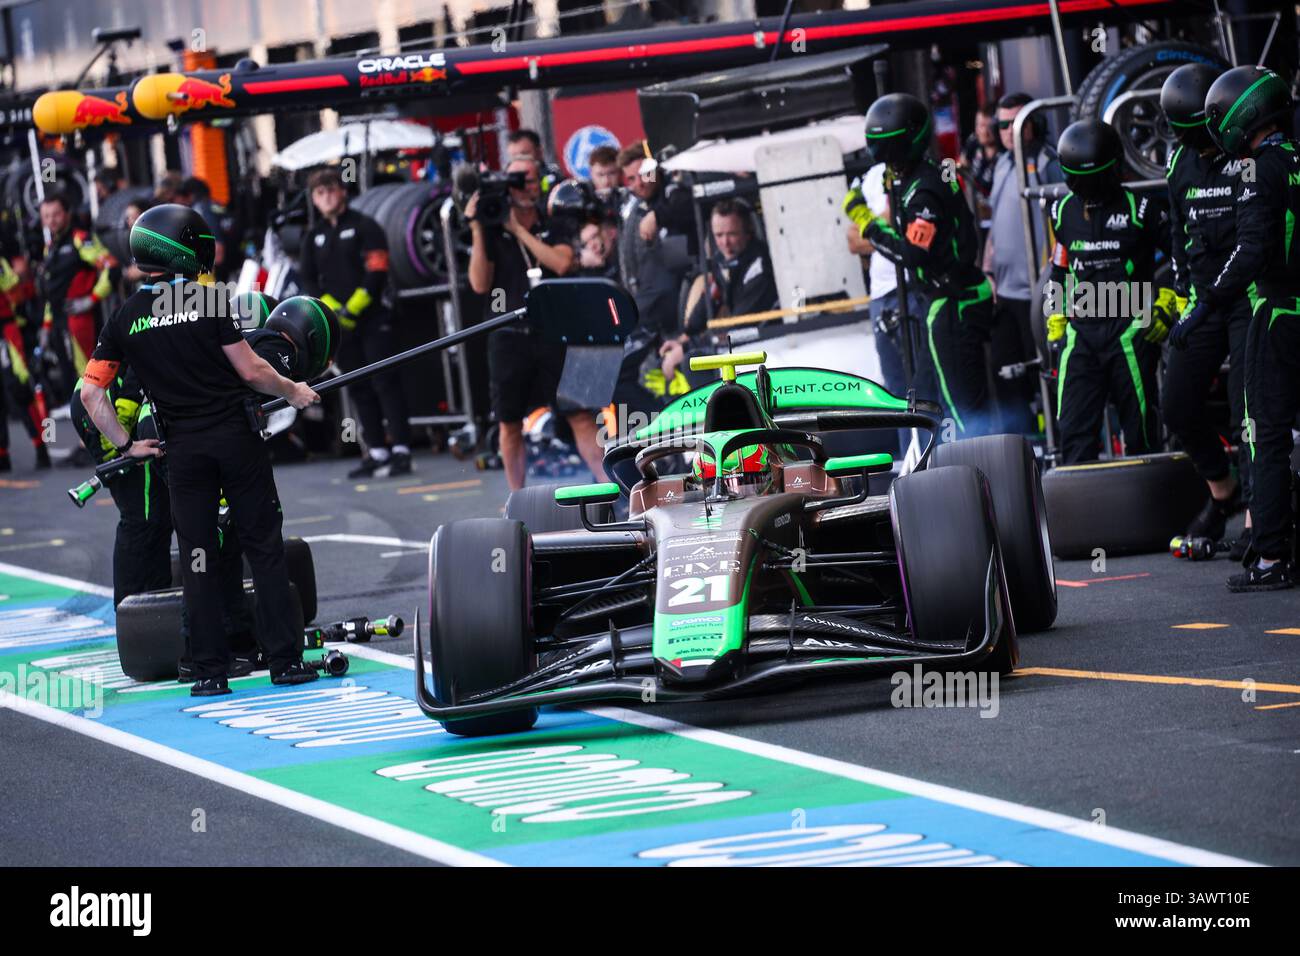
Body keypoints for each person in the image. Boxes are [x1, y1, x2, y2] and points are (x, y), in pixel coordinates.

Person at [79, 203, 322, 696]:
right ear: (184, 249)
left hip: (180, 450)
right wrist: (294, 390)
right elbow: (251, 370)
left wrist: (127, 444)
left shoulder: (123, 318)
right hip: (234, 439)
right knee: (264, 548)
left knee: (197, 558)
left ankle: (208, 670)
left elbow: (89, 394)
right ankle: (285, 661)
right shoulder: (209, 302)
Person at [1185, 66, 1299, 591]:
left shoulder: (1256, 169)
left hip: (1280, 315)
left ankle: (1272, 555)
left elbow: (1251, 249)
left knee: (1266, 432)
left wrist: (1205, 306)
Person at [846, 93, 995, 436]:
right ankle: (939, 470)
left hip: (955, 300)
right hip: (939, 301)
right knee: (924, 397)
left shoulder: (925, 188)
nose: (888, 167)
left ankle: (984, 468)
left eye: (892, 158)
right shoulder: (917, 177)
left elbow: (913, 255)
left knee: (960, 404)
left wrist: (866, 220)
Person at [466, 155, 607, 491]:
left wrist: (518, 230)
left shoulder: (553, 218)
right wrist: (477, 228)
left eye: (528, 180)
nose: (523, 187)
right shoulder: (490, 225)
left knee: (580, 413)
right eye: (516, 180)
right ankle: (516, 499)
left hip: (554, 331)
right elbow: (479, 284)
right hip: (508, 333)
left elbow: (560, 263)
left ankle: (609, 487)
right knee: (509, 422)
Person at [1159, 64, 1251, 550]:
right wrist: (1182, 295)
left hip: (1250, 297)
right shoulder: (1179, 165)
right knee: (1176, 404)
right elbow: (1177, 235)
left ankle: (1259, 518)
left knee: (1248, 414)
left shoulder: (1249, 155)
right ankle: (1224, 493)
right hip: (1201, 303)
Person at [1044, 119, 1173, 464]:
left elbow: (1187, 257)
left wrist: (1168, 302)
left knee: (1141, 435)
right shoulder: (1061, 211)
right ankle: (1078, 511)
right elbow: (1059, 269)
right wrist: (1055, 318)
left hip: (1131, 330)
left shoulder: (1142, 209)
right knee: (1073, 432)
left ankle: (1149, 508)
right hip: (1080, 334)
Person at [298, 166, 412, 478]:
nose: (327, 196)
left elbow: (377, 269)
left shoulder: (366, 225)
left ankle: (401, 448)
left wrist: (354, 307)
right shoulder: (314, 236)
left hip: (375, 317)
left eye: (332, 189)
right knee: (358, 387)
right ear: (314, 199)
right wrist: (333, 310)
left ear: (343, 192)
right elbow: (307, 277)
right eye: (320, 193)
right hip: (340, 326)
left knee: (386, 382)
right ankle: (375, 450)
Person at [986, 91, 1064, 433]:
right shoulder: (1003, 162)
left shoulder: (1048, 161)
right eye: (1001, 124)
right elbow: (995, 224)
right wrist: (987, 271)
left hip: (1039, 293)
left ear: (1034, 123)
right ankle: (1022, 443)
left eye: (1014, 123)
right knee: (1006, 374)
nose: (1006, 131)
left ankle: (1056, 440)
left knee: (1049, 372)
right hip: (1004, 292)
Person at [843, 162, 931, 399]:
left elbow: (896, 218)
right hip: (879, 298)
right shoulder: (870, 176)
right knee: (894, 391)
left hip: (909, 290)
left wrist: (870, 226)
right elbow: (852, 240)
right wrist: (879, 228)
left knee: (922, 386)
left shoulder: (903, 171)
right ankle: (907, 438)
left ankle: (933, 437)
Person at [665, 200, 778, 381]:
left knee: (692, 362)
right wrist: (684, 338)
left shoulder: (760, 266)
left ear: (748, 232)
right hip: (738, 342)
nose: (725, 242)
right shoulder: (723, 261)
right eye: (719, 235)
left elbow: (740, 324)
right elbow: (709, 301)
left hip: (763, 344)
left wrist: (686, 349)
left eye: (732, 234)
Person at [34, 193, 114, 402]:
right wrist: (47, 324)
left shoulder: (80, 238)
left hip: (80, 320)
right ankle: (85, 421)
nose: (52, 220)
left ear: (67, 213)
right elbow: (52, 291)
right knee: (76, 378)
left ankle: (105, 420)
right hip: (59, 322)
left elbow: (111, 267)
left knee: (91, 375)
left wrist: (92, 299)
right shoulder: (49, 246)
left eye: (56, 214)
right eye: (47, 216)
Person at [617, 141, 696, 346]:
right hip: (648, 301)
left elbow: (687, 205)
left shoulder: (674, 187)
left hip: (684, 300)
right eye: (631, 179)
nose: (639, 184)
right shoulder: (632, 208)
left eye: (644, 175)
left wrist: (657, 216)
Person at [0, 250, 49, 470]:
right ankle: (2, 455)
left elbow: (16, 294)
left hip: (7, 333)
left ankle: (42, 446)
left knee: (20, 388)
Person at [960, 104, 1001, 234]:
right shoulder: (973, 142)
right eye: (979, 125)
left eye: (987, 126)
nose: (983, 131)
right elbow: (958, 165)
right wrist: (949, 187)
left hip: (1000, 214)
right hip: (976, 216)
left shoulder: (1005, 151)